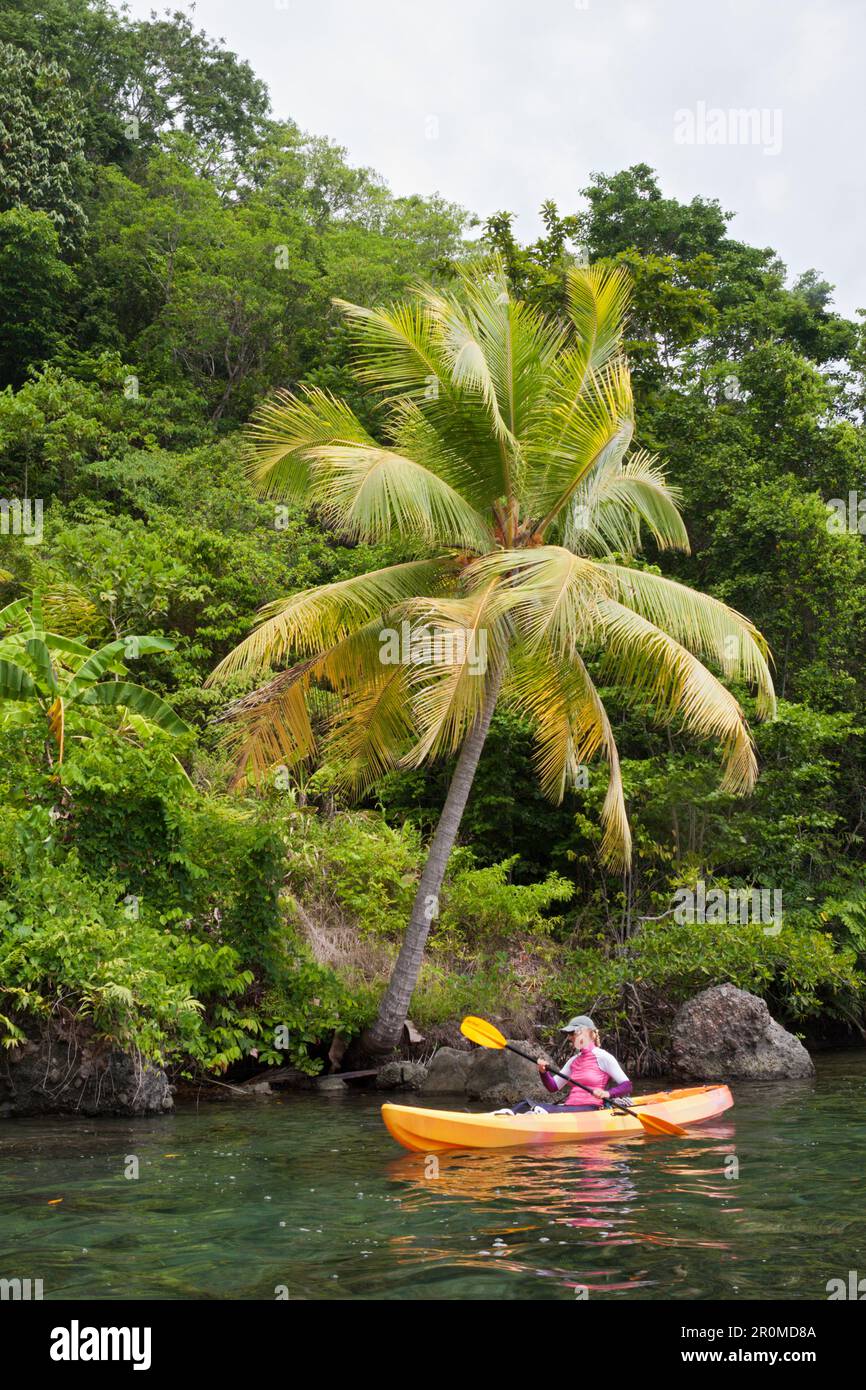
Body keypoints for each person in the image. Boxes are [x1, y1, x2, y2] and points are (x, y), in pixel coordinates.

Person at [493, 1015, 632, 1115]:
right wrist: (543, 1072)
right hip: (571, 1107)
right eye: (569, 1034)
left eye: (573, 1033)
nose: (570, 1037)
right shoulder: (573, 1061)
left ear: (588, 1034)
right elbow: (553, 1087)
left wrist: (607, 1093)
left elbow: (627, 1086)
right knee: (526, 1104)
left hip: (591, 1108)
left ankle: (535, 1117)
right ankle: (507, 1115)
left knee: (540, 1108)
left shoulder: (604, 1057)